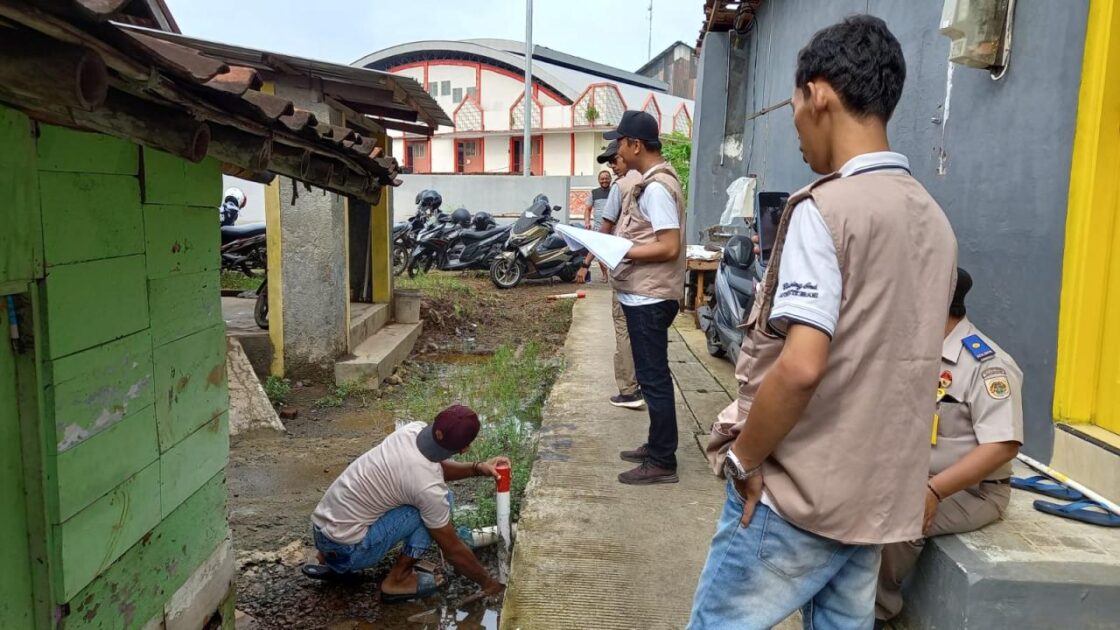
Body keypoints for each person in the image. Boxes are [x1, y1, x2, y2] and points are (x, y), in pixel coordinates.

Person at [690, 15, 957, 629]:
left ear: (818, 95)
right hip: (876, 498)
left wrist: (744, 459)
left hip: (797, 497)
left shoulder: (825, 209)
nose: (799, 135)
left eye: (794, 113)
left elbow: (803, 366)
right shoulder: (934, 221)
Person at [875, 268, 1022, 626]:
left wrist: (933, 489)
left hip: (972, 491)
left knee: (902, 516)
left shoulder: (987, 365)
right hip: (916, 475)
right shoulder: (917, 352)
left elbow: (1002, 445)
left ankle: (875, 613)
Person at [308, 405, 506, 603]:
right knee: (441, 502)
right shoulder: (428, 489)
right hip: (348, 551)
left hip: (322, 533)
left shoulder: (410, 431)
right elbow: (452, 548)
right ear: (464, 449)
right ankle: (397, 580)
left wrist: (477, 468)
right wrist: (488, 583)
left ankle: (326, 557)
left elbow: (431, 469)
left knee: (423, 502)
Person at [601, 110, 686, 485]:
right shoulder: (650, 183)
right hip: (644, 295)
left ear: (635, 145)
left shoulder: (655, 188)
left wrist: (623, 250)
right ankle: (656, 445)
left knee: (653, 379)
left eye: (620, 142)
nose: (616, 148)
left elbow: (669, 246)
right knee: (653, 377)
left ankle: (663, 459)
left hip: (651, 297)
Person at [577, 140, 645, 410]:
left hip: (629, 269)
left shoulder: (622, 186)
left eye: (614, 161)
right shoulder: (659, 181)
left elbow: (604, 231)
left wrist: (585, 262)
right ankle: (646, 385)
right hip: (654, 277)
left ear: (628, 153)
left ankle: (629, 390)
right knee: (645, 333)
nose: (612, 168)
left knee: (624, 329)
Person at [582, 170, 613, 282]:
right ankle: (605, 274)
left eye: (606, 178)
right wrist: (587, 221)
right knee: (599, 252)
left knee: (614, 251)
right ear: (599, 180)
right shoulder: (594, 193)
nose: (604, 180)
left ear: (610, 179)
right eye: (602, 178)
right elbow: (588, 209)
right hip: (599, 227)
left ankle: (615, 275)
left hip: (614, 227)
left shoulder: (615, 191)